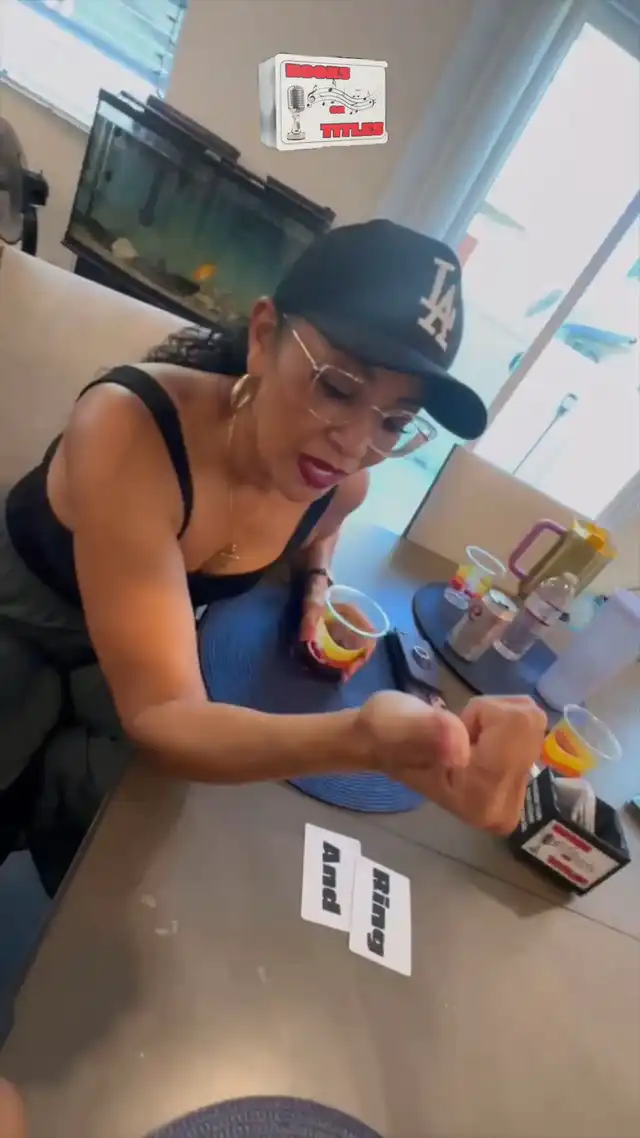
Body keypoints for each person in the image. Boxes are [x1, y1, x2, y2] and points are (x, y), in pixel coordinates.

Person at [0, 220, 546, 890]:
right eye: (338, 387)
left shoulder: (339, 484)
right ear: (264, 336)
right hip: (20, 618)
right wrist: (361, 741)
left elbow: (319, 528)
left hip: (136, 653)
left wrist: (315, 583)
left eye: (395, 421)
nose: (355, 444)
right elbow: (161, 713)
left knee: (137, 839)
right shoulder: (129, 428)